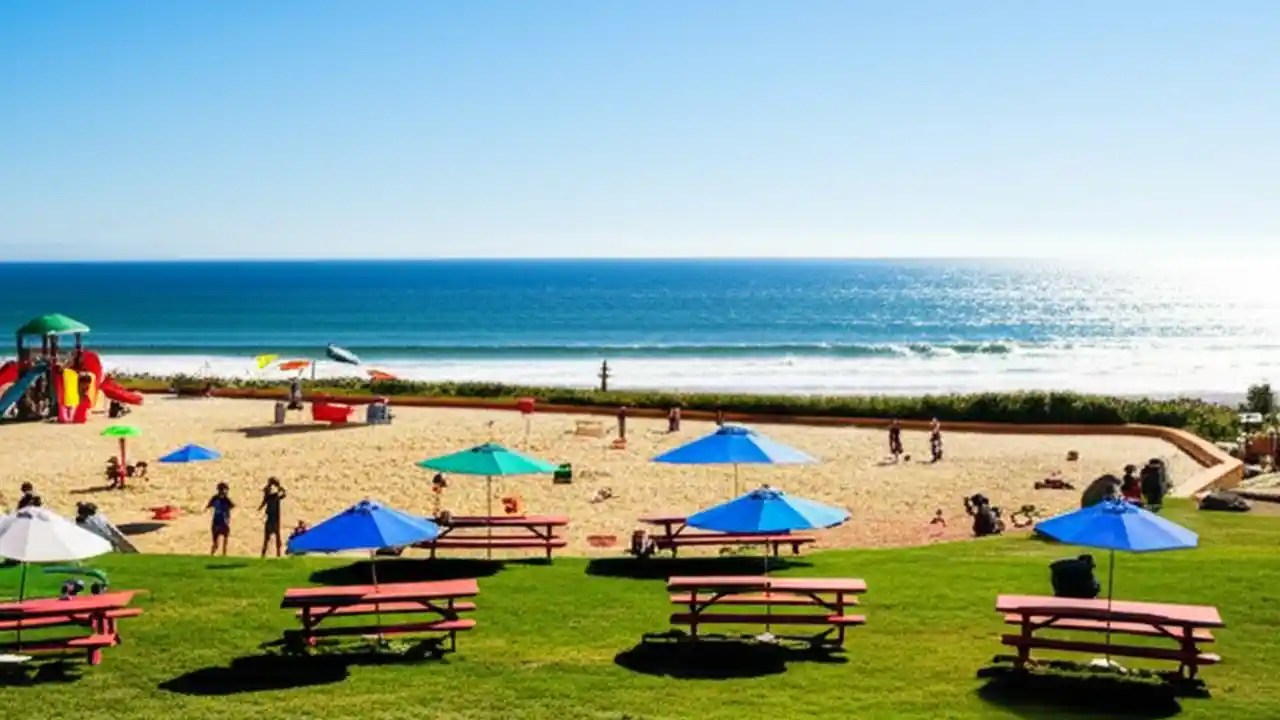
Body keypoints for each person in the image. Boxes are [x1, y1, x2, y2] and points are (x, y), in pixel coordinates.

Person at [258, 477, 287, 558]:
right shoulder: (272, 496)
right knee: (268, 537)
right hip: (272, 518)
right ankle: (264, 554)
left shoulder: (275, 496)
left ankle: (277, 554)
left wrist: (278, 486)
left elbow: (284, 494)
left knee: (275, 537)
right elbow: (265, 497)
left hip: (274, 518)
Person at [206, 482, 235, 556]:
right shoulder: (220, 498)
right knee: (217, 542)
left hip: (221, 521)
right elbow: (232, 506)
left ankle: (221, 554)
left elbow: (209, 505)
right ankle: (216, 554)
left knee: (222, 540)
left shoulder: (224, 499)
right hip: (219, 521)